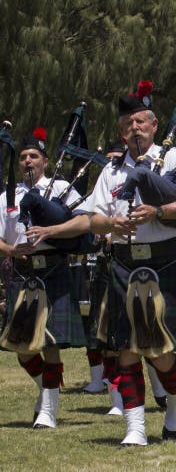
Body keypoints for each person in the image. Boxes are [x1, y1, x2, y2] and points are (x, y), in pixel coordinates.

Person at [84, 84, 176, 445]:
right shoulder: (111, 171)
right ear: (121, 132)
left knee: (159, 349)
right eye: (128, 124)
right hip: (123, 263)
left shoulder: (173, 161)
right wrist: (112, 224)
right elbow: (93, 219)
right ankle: (135, 427)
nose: (135, 128)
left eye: (141, 121)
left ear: (154, 126)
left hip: (165, 261)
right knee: (125, 347)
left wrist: (159, 211)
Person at [0, 128, 87, 428]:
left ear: (45, 161)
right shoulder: (7, 196)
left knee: (50, 344)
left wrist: (50, 232)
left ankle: (48, 411)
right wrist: (10, 249)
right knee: (22, 349)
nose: (27, 161)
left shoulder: (63, 188)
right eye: (23, 157)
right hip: (23, 274)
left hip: (53, 269)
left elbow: (83, 223)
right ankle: (45, 390)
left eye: (33, 156)